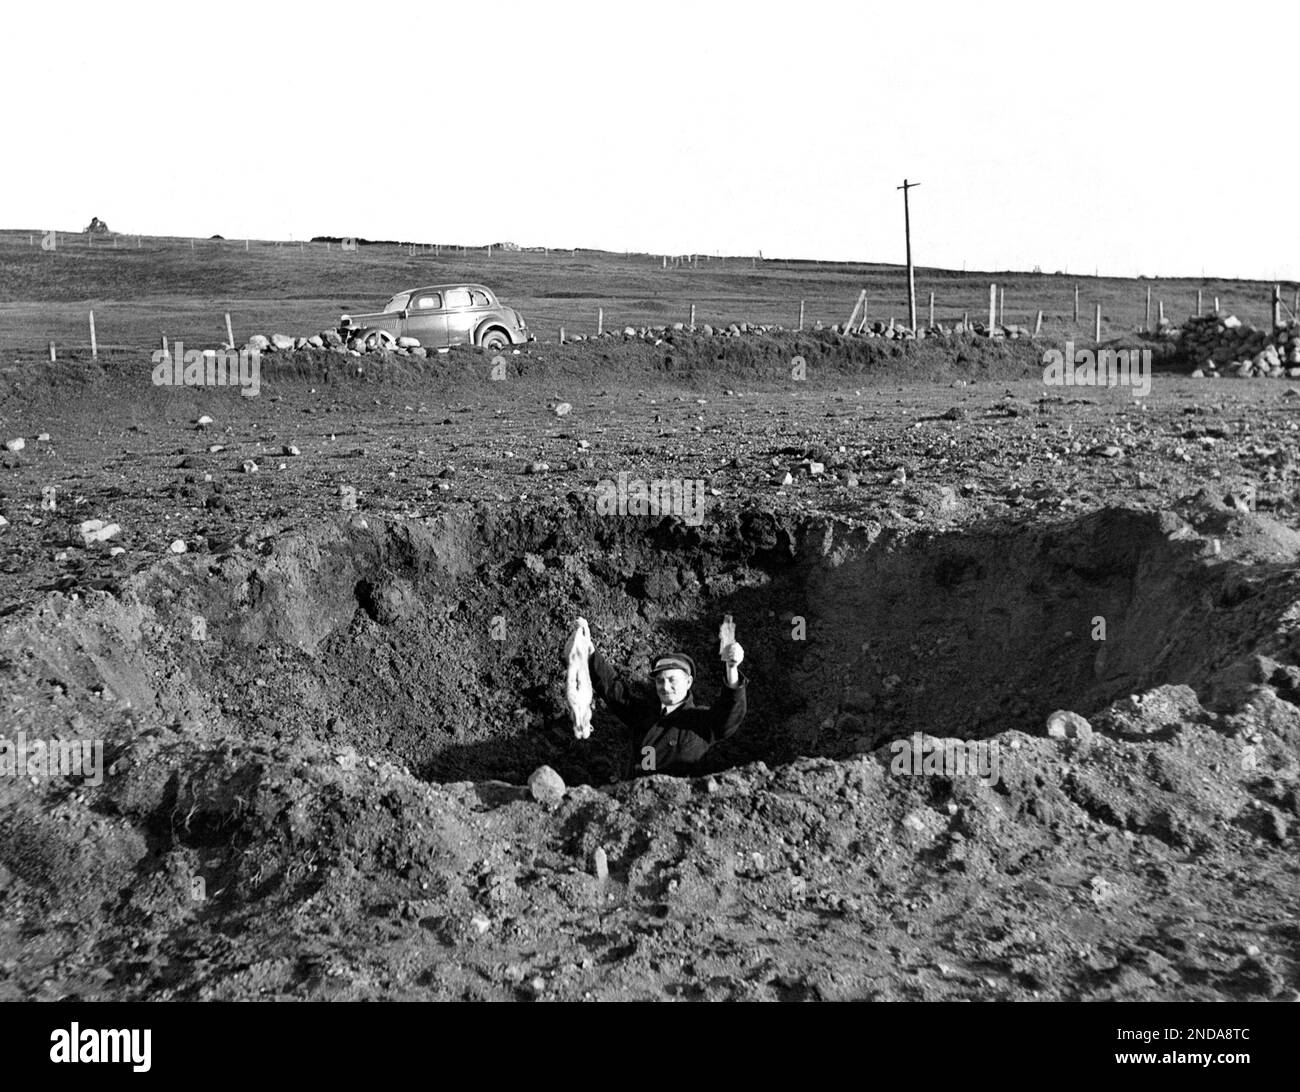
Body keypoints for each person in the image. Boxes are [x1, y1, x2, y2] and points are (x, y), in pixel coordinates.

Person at [569, 621, 747, 778]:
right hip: (633, 799)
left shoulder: (699, 721)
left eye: (672, 680)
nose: (665, 686)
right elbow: (613, 690)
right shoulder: (643, 713)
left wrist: (731, 669)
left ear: (688, 682)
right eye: (660, 680)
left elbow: (729, 713)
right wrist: (589, 651)